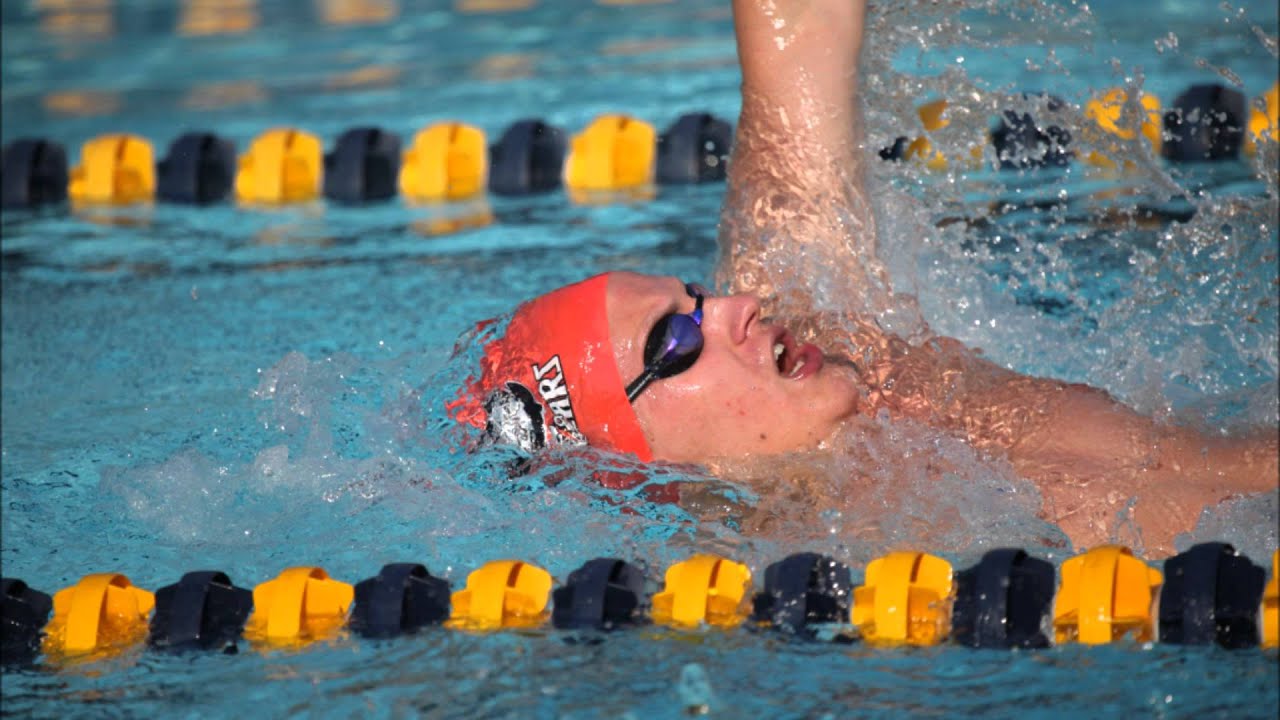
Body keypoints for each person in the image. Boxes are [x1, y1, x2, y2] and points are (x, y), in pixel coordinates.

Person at [452, 0, 1278, 557]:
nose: (737, 305)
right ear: (637, 465)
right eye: (676, 338)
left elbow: (797, 31)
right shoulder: (832, 566)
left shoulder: (824, 327)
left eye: (695, 299)